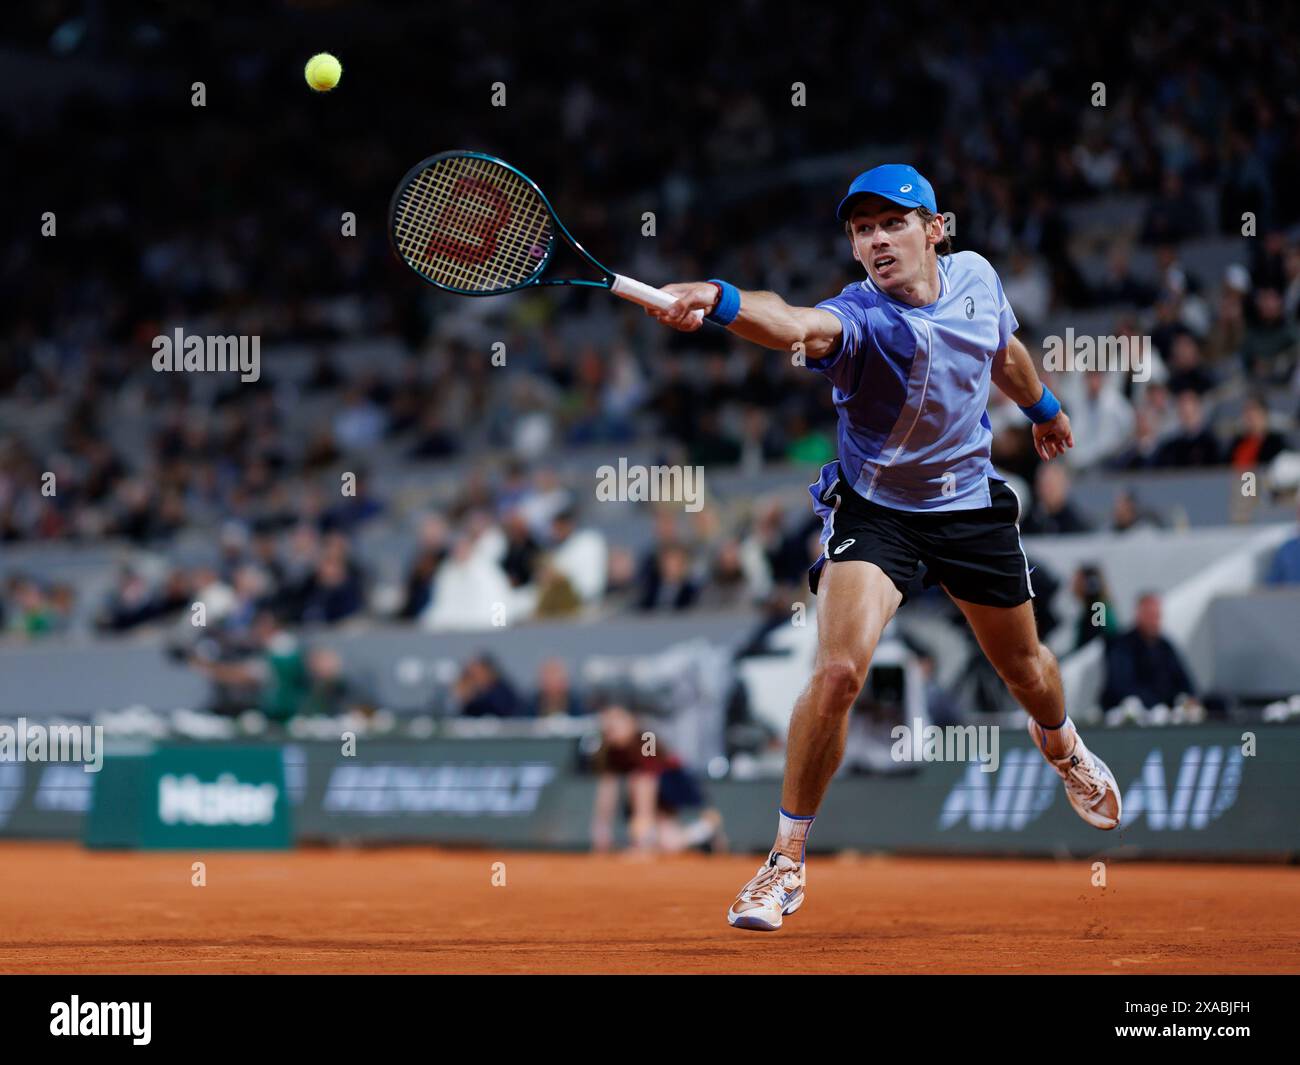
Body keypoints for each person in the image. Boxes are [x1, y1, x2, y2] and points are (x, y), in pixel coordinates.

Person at [648, 163, 1121, 932]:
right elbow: (794, 323)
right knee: (836, 672)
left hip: (970, 505)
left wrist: (1044, 407)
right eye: (862, 230)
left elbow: (1003, 351)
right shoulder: (858, 319)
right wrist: (722, 299)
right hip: (880, 511)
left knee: (1028, 673)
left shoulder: (976, 276)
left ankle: (1064, 746)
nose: (876, 240)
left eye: (892, 223)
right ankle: (785, 862)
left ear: (936, 229)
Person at [588, 705, 725, 855]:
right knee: (669, 843)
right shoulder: (610, 748)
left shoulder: (647, 738)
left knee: (637, 781)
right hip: (652, 793)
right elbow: (607, 788)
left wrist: (642, 840)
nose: (610, 726)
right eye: (608, 724)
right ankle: (705, 830)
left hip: (673, 782)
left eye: (617, 721)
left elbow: (646, 784)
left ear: (631, 722)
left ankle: (649, 840)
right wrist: (601, 830)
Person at [1100, 593, 1196, 710]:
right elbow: (1121, 686)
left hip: (1166, 711)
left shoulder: (1166, 646)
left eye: (1157, 616)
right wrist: (1158, 702)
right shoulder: (1122, 645)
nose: (1154, 621)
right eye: (1150, 615)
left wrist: (1187, 698)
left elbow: (1184, 682)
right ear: (1138, 615)